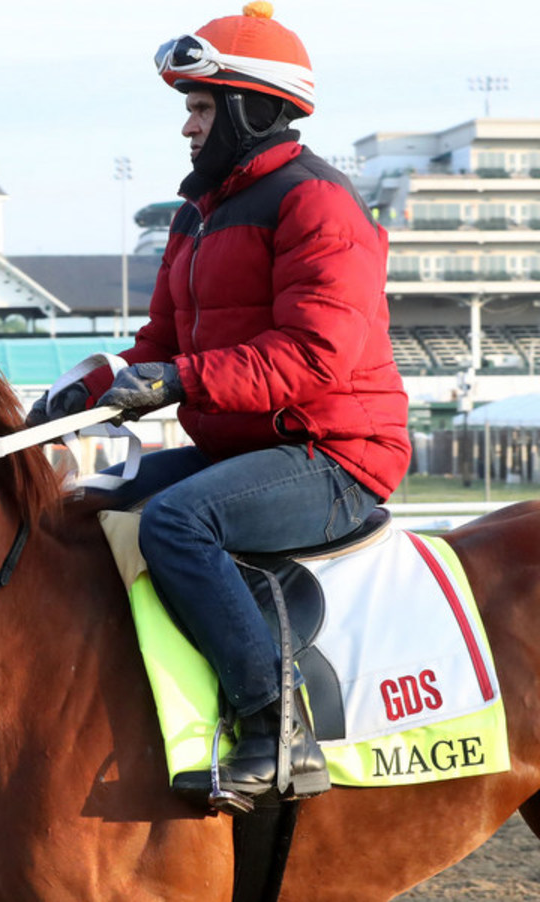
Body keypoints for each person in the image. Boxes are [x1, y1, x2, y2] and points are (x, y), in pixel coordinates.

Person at [28, 2, 410, 807]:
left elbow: (315, 357)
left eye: (201, 108)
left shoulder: (318, 205)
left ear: (252, 107)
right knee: (80, 505)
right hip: (242, 451)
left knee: (177, 522)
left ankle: (277, 730)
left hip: (335, 454)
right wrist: (87, 388)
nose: (187, 127)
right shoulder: (195, 220)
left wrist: (179, 382)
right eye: (189, 110)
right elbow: (159, 344)